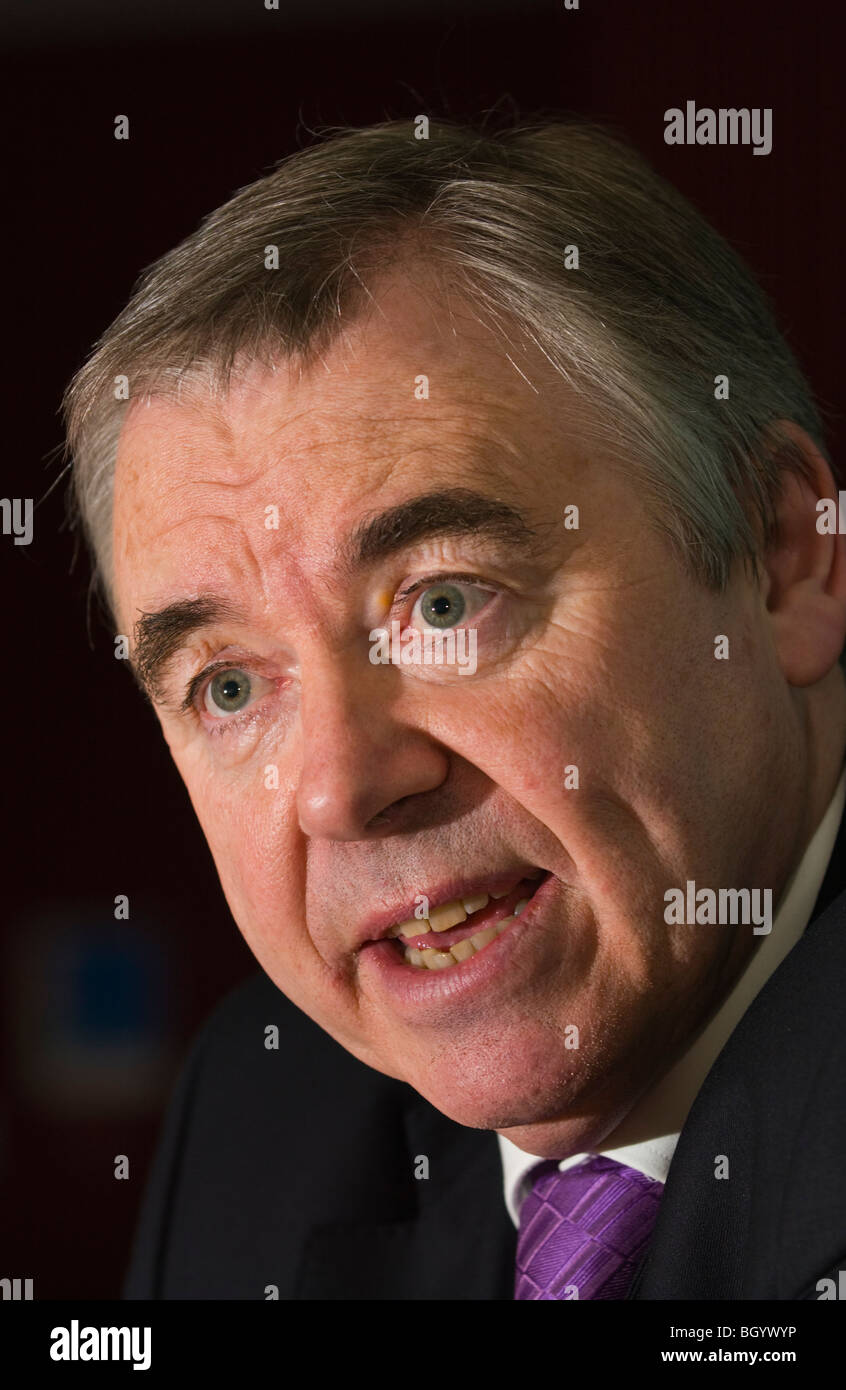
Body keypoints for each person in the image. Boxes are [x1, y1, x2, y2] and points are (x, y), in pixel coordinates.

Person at [63, 119, 846, 1299]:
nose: (338, 783)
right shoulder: (265, 1116)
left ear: (784, 560)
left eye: (440, 604)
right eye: (229, 685)